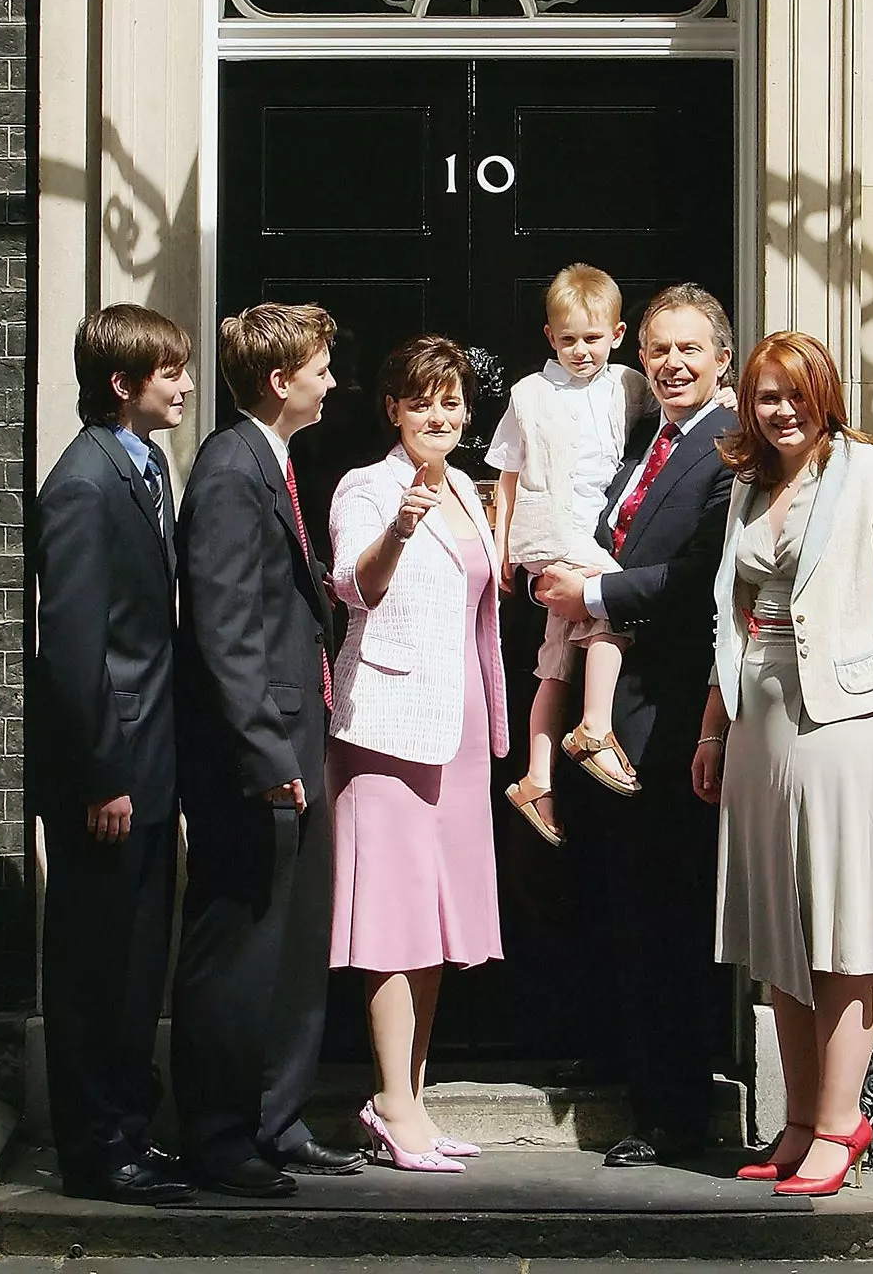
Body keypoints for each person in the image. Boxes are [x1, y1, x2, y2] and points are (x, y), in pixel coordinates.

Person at [694, 332, 873, 1197]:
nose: (780, 410)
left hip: (841, 719)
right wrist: (712, 730)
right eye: (766, 396)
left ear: (825, 394)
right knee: (780, 933)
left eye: (795, 393)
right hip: (757, 718)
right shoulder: (746, 487)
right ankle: (802, 1117)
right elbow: (730, 623)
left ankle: (843, 1122)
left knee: (841, 926)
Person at [534, 283, 737, 1167]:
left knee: (667, 913)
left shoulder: (726, 451)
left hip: (669, 707)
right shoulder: (652, 440)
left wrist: (598, 594)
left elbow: (700, 578)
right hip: (618, 711)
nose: (673, 364)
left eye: (690, 349)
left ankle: (675, 1113)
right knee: (625, 902)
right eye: (658, 350)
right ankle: (634, 1069)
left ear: (723, 358)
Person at [170, 303, 363, 1197]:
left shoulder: (271, 459)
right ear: (281, 381)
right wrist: (265, 755)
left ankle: (276, 1122)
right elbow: (223, 625)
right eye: (321, 368)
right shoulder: (229, 466)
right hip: (261, 757)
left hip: (296, 738)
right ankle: (217, 1140)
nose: (332, 381)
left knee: (290, 949)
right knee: (238, 951)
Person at [327, 336, 508, 1173]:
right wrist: (398, 530)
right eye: (422, 402)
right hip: (390, 728)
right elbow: (354, 588)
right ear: (393, 410)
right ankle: (392, 1103)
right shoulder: (367, 488)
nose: (439, 416)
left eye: (452, 402)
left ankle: (413, 1103)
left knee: (436, 927)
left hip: (462, 731)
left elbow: (483, 606)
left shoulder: (471, 492)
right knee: (395, 926)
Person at [32, 304, 194, 1204]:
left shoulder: (149, 464)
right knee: (96, 960)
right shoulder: (84, 486)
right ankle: (95, 1149)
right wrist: (103, 774)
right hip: (110, 769)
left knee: (138, 956)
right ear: (122, 386)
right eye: (167, 371)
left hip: (150, 755)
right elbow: (74, 643)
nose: (183, 383)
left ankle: (130, 1127)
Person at [487, 263, 655, 844]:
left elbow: (668, 419)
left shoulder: (629, 385)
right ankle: (594, 726)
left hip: (596, 530)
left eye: (592, 338)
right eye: (567, 340)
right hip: (554, 534)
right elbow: (506, 477)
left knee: (555, 658)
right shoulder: (529, 395)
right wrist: (500, 550)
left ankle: (536, 777)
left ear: (617, 332)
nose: (580, 351)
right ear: (549, 339)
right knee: (613, 603)